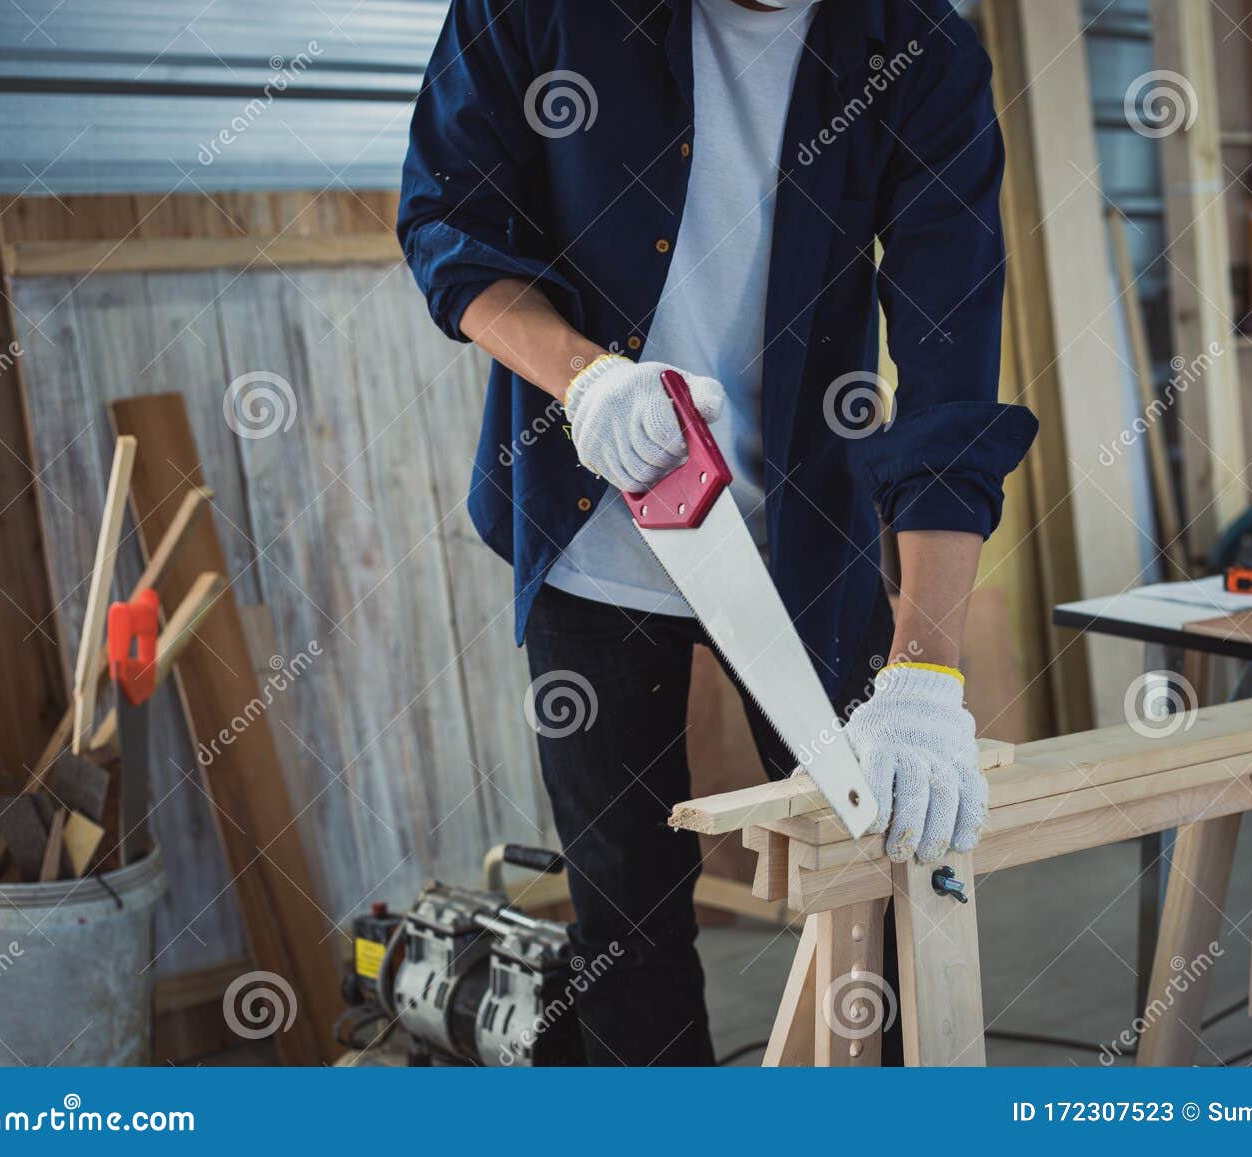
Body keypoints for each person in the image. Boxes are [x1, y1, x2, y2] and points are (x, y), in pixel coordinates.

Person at [399, 0, 1037, 1065]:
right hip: (589, 522)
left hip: (805, 541)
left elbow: (947, 366)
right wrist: (585, 377)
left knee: (881, 894)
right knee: (627, 931)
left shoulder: (920, 43)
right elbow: (446, 219)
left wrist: (925, 670)